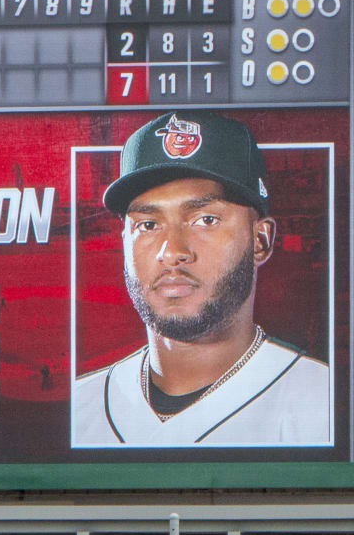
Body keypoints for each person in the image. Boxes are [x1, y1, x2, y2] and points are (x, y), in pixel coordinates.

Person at [72, 111, 332, 447]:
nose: (172, 251)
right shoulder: (82, 404)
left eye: (205, 220)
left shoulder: (323, 405)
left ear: (260, 240)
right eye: (148, 225)